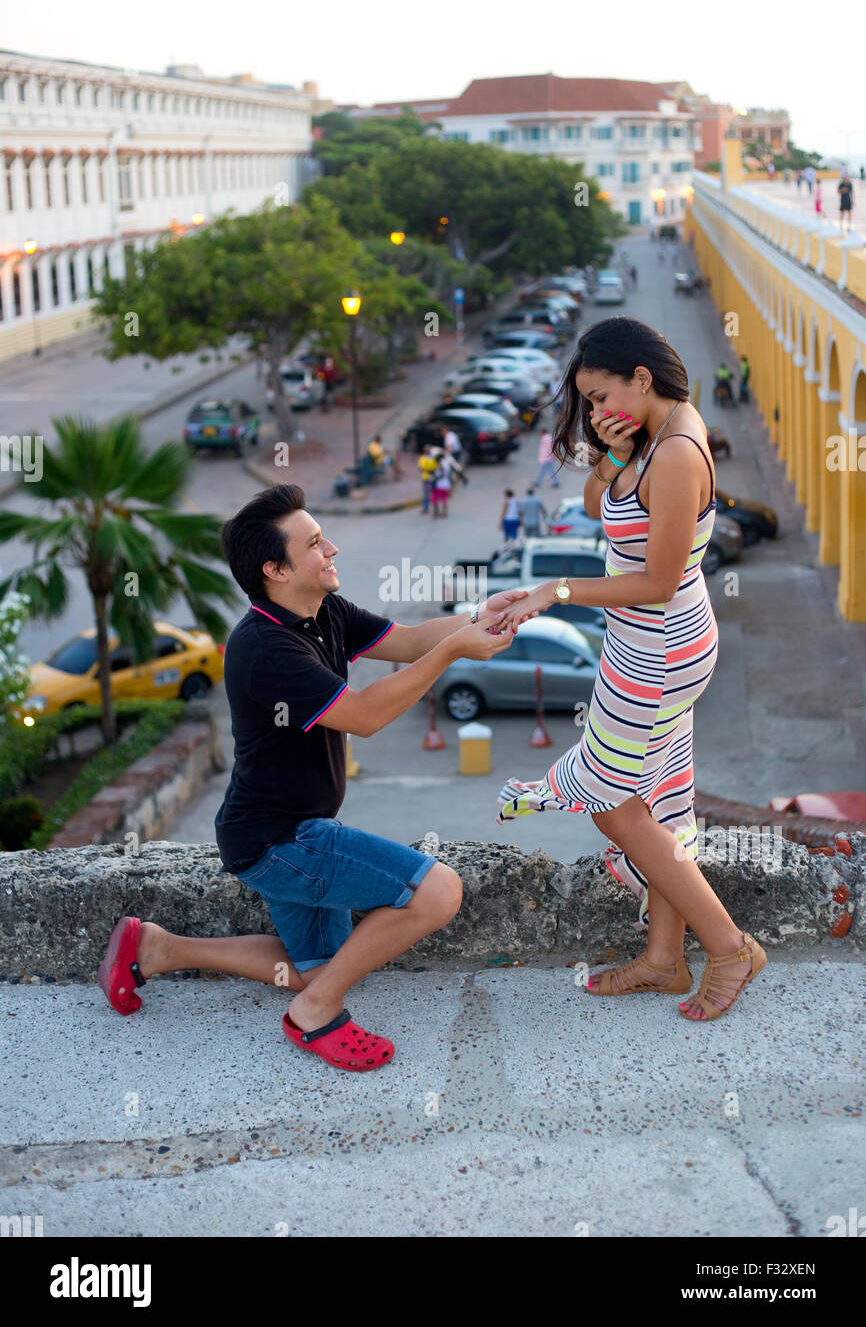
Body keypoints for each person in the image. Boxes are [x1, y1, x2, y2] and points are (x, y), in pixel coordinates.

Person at [97, 484, 530, 1069]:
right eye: (315, 544)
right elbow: (368, 716)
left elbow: (405, 641)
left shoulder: (321, 610)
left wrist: (480, 616)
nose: (333, 549)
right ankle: (315, 1015)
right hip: (284, 840)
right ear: (275, 569)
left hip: (277, 832)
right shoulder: (264, 648)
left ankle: (158, 948)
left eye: (323, 537)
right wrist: (454, 652)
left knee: (315, 970)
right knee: (438, 891)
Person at [496, 317, 767, 1022]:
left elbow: (655, 581)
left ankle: (728, 947)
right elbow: (599, 508)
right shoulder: (649, 435)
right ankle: (663, 959)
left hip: (661, 651)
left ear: (640, 379)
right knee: (661, 802)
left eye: (597, 396)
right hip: (640, 648)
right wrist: (611, 455)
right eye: (585, 402)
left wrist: (548, 592)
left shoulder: (678, 452)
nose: (591, 413)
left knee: (615, 804)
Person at [418, 444, 438, 514]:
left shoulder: (433, 458)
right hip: (426, 478)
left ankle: (435, 508)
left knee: (434, 493)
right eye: (427, 449)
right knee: (426, 494)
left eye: (429, 449)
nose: (428, 450)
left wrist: (429, 470)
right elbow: (420, 468)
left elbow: (436, 466)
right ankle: (425, 508)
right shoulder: (422, 458)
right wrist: (428, 470)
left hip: (433, 477)